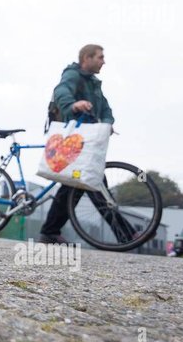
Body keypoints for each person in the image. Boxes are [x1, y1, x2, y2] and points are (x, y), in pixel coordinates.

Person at [39, 44, 127, 244]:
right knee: (91, 182)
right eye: (100, 57)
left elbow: (105, 107)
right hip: (73, 139)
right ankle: (128, 235)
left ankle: (49, 231)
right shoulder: (72, 75)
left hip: (86, 140)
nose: (103, 61)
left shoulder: (94, 84)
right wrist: (73, 104)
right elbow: (61, 91)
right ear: (87, 58)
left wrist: (107, 123)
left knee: (75, 185)